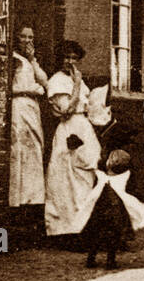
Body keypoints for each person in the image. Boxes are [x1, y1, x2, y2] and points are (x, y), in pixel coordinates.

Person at [44, 68, 102, 239]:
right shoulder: (58, 81)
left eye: (74, 58)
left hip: (83, 128)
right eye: (66, 57)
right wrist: (76, 83)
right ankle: (66, 230)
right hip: (69, 128)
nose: (70, 62)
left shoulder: (77, 78)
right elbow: (67, 110)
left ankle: (84, 228)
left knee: (86, 177)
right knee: (66, 180)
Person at [82, 149, 144, 269]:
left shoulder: (101, 176)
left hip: (100, 211)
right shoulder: (124, 177)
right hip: (116, 212)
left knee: (96, 236)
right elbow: (133, 191)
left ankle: (90, 259)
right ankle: (110, 261)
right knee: (113, 237)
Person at [9, 26, 48, 209]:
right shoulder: (13, 59)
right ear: (16, 37)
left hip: (32, 108)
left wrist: (33, 60)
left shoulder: (30, 61)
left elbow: (45, 81)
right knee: (20, 150)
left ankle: (33, 199)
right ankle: (18, 199)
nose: (26, 40)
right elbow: (8, 88)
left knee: (35, 150)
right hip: (19, 106)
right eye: (23, 36)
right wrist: (30, 89)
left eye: (30, 37)